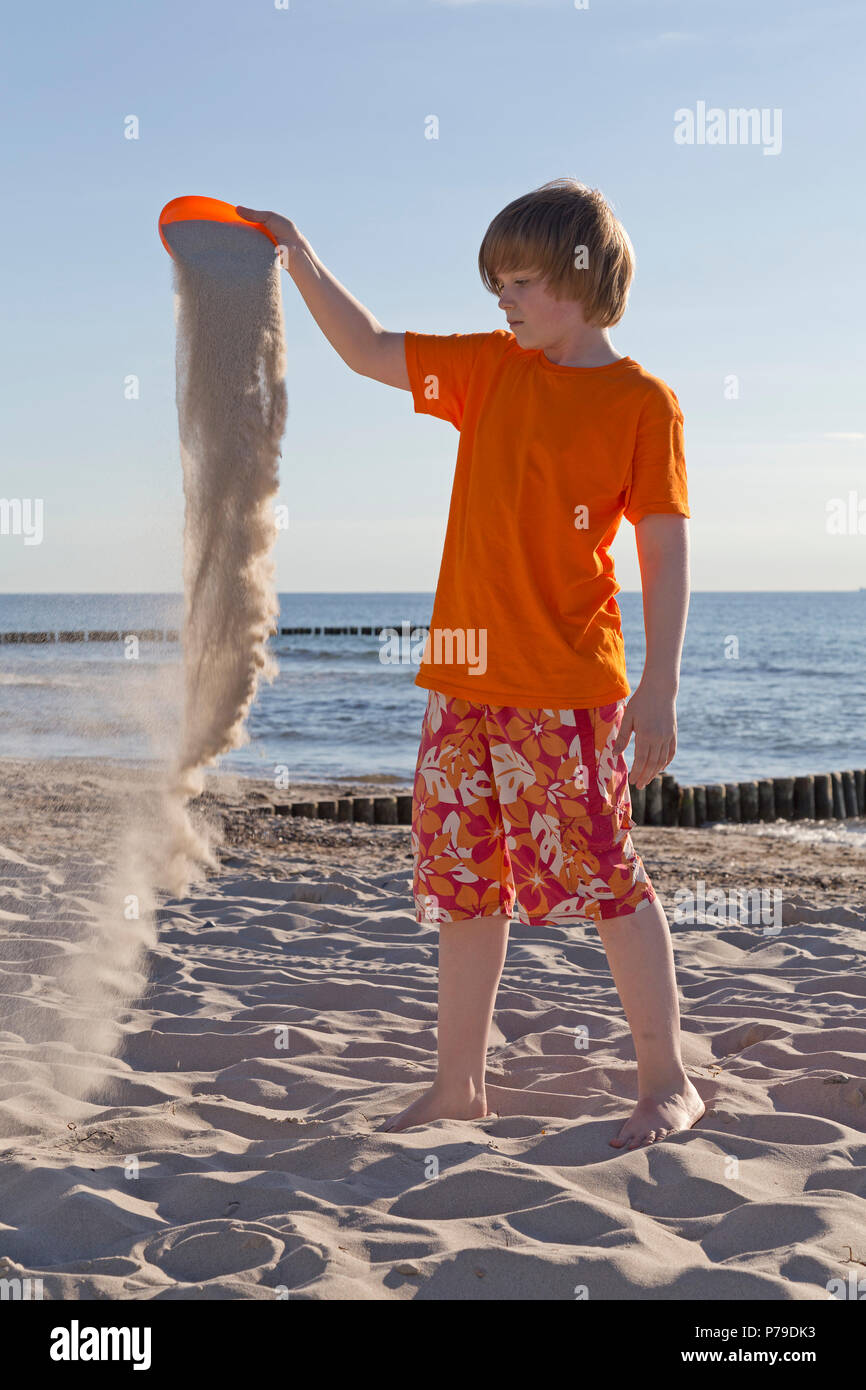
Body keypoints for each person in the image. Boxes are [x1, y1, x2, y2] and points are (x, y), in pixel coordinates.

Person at [237, 179, 704, 1150]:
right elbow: (367, 350)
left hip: (567, 689)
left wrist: (658, 683)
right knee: (461, 886)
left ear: (581, 279)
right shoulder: (488, 370)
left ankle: (665, 1079)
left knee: (610, 879)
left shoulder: (641, 402)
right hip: (458, 685)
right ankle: (458, 1085)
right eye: (494, 282)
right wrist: (297, 254)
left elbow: (661, 550)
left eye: (519, 280)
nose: (501, 298)